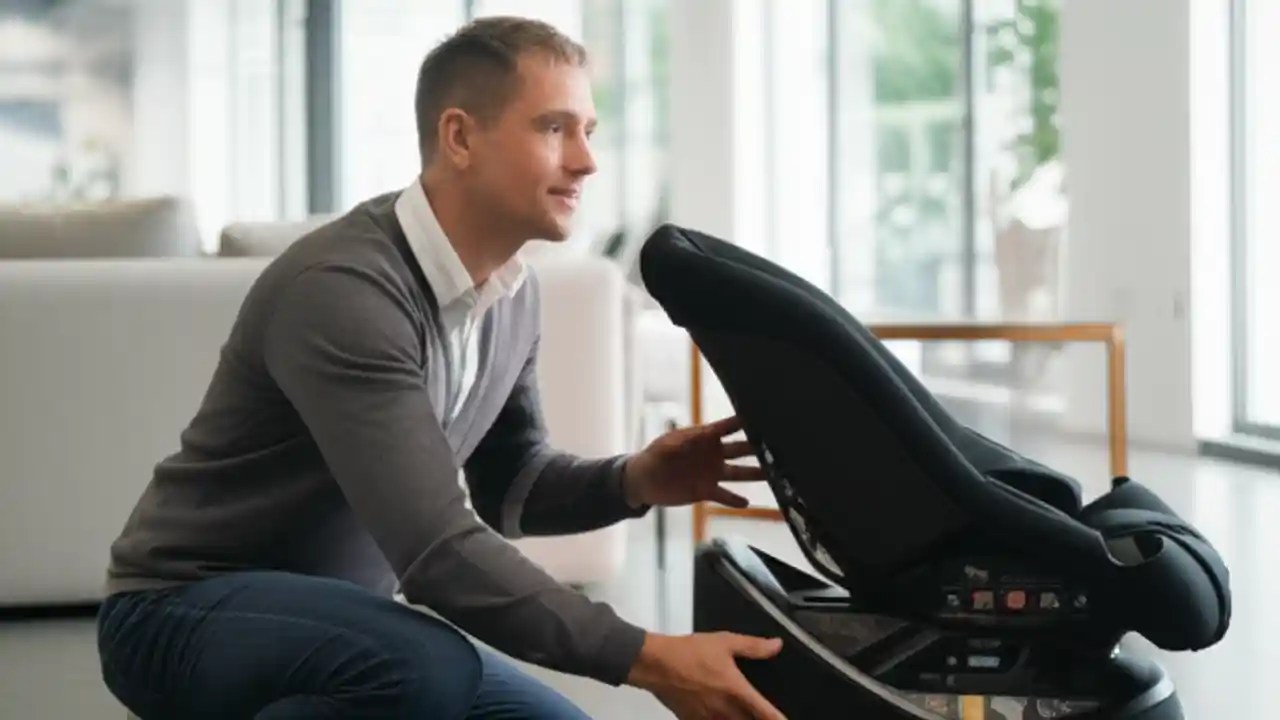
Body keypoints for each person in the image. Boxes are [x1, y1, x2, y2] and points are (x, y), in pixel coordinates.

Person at [96, 15, 787, 720]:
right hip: (178, 611)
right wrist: (650, 656)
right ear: (459, 137)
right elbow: (440, 556)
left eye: (589, 131)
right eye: (554, 128)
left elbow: (511, 487)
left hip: (340, 629)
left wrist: (636, 479)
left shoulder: (513, 295)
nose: (586, 161)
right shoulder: (344, 291)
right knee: (425, 668)